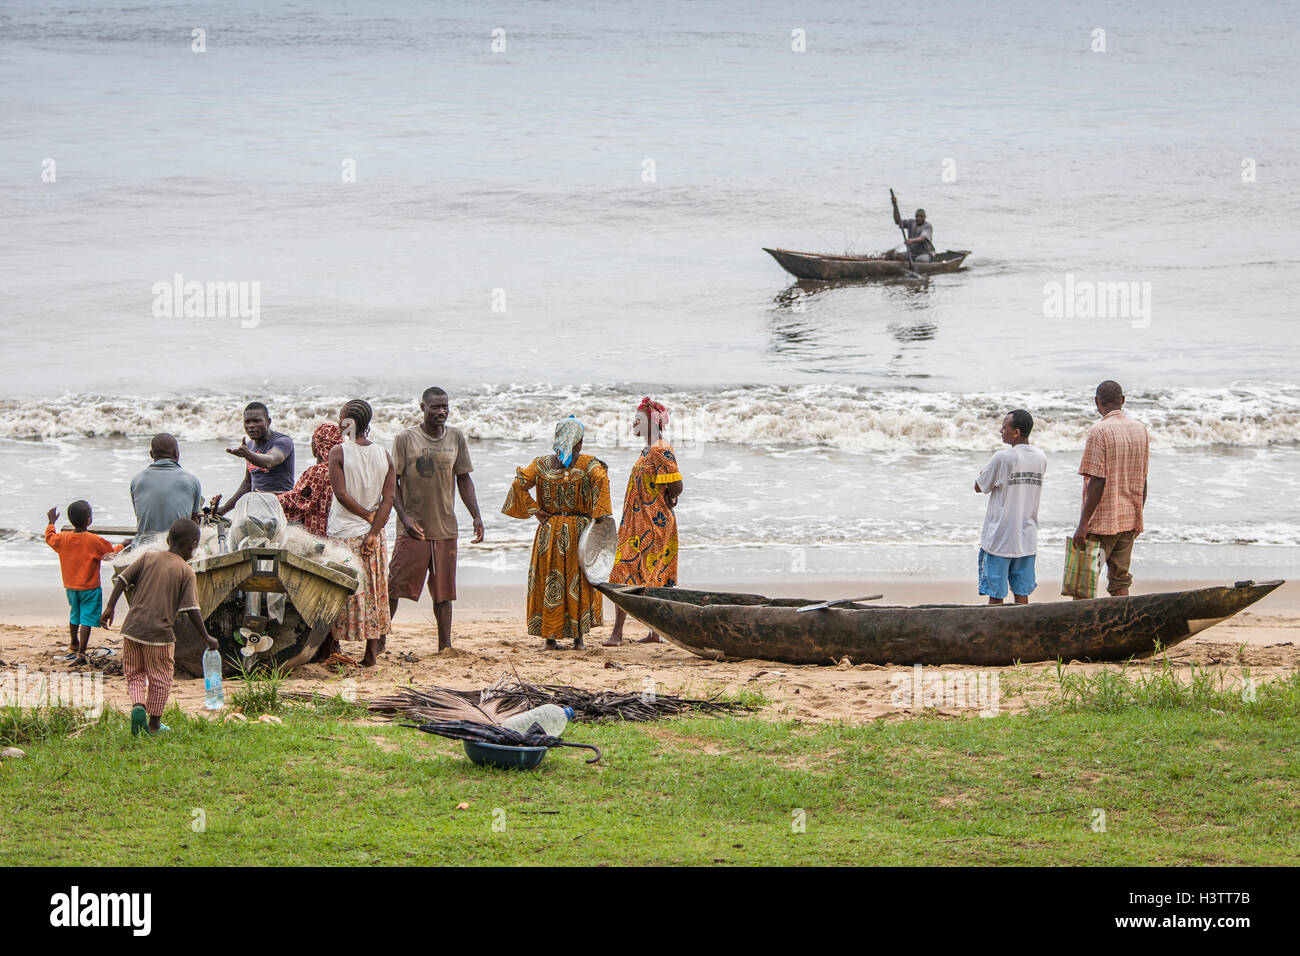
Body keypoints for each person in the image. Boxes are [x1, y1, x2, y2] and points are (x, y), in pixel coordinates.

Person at [502, 416, 612, 650]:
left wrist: (535, 510)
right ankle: (578, 640)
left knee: (550, 579)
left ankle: (550, 640)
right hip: (579, 534)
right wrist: (598, 515)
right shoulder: (588, 464)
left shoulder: (541, 465)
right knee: (578, 581)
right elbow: (601, 481)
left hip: (550, 532)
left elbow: (518, 484)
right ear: (578, 442)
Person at [388, 387, 484, 652]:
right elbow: (391, 481)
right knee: (394, 587)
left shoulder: (456, 437)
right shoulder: (406, 439)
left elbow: (464, 478)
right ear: (423, 408)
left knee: (444, 593)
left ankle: (445, 646)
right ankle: (379, 643)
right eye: (435, 407)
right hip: (413, 530)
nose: (441, 411)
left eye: (445, 406)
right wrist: (405, 519)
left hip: (445, 528)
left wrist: (476, 516)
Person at [100, 518, 215, 736]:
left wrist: (110, 608)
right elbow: (192, 609)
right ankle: (154, 725)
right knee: (160, 678)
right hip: (159, 635)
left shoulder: (148, 556)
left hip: (132, 628)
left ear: (168, 539)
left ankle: (137, 707)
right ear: (193, 546)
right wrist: (206, 637)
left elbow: (123, 579)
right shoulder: (186, 571)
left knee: (134, 674)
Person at [604, 397, 684, 646]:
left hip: (652, 524)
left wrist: (670, 497)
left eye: (637, 420)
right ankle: (653, 633)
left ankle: (618, 634)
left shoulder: (661, 449)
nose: (633, 424)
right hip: (638, 522)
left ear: (652, 423)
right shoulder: (648, 450)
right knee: (644, 574)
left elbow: (677, 485)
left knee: (626, 573)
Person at [327, 400, 395, 667]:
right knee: (374, 591)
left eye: (340, 417)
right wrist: (373, 530)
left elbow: (341, 494)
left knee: (340, 591)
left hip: (344, 533)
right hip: (373, 536)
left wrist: (367, 518)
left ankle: (334, 648)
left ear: (348, 422)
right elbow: (388, 498)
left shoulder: (339, 452)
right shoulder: (383, 454)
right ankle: (370, 654)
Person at [1072, 381, 1150, 598]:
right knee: (1120, 580)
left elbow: (1098, 481)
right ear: (1123, 400)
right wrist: (1138, 515)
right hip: (1128, 520)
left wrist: (1083, 524)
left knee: (1083, 583)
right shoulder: (1140, 430)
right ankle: (1122, 626)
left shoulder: (1098, 431)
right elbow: (1142, 478)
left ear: (1097, 402)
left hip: (1101, 523)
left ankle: (1084, 629)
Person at [973, 410, 1046, 605]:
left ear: (1016, 432)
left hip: (1000, 538)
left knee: (996, 595)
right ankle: (1022, 633)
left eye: (1005, 427)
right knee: (1022, 595)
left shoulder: (1003, 457)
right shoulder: (1040, 457)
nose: (1001, 430)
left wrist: (983, 473)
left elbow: (979, 486)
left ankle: (993, 635)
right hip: (1026, 538)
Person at [45, 501, 126, 664]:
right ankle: (81, 653)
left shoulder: (63, 538)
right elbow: (110, 555)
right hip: (90, 587)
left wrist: (51, 522)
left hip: (70, 586)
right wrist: (123, 545)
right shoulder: (95, 541)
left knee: (75, 614)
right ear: (89, 520)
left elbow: (50, 538)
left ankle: (73, 643)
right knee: (87, 620)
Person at [215, 402, 296, 515]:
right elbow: (248, 484)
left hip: (280, 507)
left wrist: (248, 454)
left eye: (256, 421)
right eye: (247, 422)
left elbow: (270, 461)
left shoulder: (283, 442)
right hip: (256, 506)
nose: (251, 425)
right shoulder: (249, 446)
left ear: (268, 421)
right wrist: (224, 510)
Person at [129, 433, 203, 537]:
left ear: (151, 454)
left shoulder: (136, 481)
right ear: (176, 453)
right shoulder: (192, 480)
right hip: (177, 547)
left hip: (143, 546)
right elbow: (192, 522)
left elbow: (141, 515)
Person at [277, 422, 343, 538]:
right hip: (342, 533)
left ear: (318, 445)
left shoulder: (319, 471)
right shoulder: (345, 469)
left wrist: (270, 499)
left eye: (313, 441)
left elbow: (298, 502)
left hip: (319, 537)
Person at [891, 193, 934, 263]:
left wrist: (911, 240)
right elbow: (897, 221)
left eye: (921, 216)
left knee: (920, 260)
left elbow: (923, 238)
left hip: (925, 254)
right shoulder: (911, 223)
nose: (919, 218)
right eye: (917, 216)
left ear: (924, 217)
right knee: (896, 256)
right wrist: (895, 205)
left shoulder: (927, 226)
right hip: (911, 254)